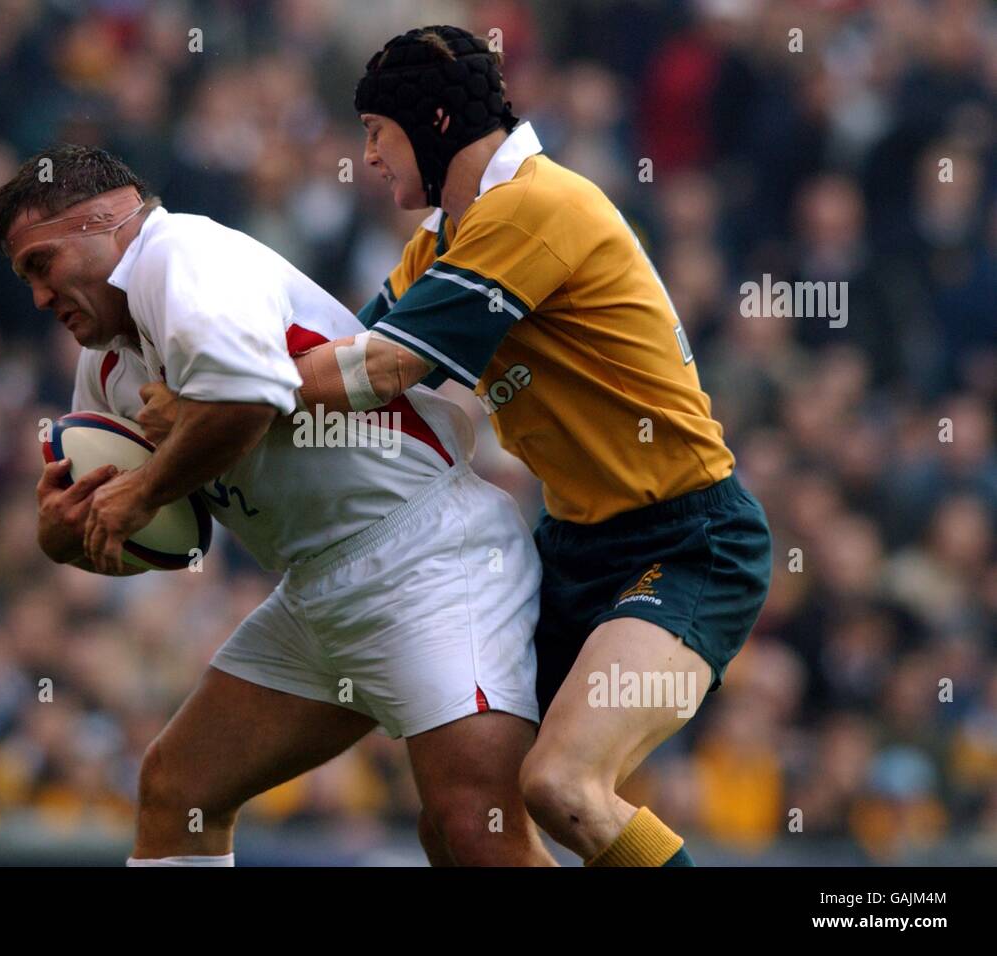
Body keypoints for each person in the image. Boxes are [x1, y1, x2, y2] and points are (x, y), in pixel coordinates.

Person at [0, 144, 554, 866]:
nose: (37, 296)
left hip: (428, 558)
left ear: (106, 220)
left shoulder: (179, 254)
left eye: (41, 264)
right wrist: (60, 536)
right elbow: (171, 539)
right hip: (317, 586)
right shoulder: (107, 366)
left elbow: (244, 404)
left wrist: (142, 489)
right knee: (179, 791)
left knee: (473, 829)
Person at [291, 26, 773, 866]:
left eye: (375, 131)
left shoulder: (536, 206)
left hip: (691, 544)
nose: (366, 157)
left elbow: (381, 368)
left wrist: (221, 386)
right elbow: (334, 353)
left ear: (433, 122)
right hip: (573, 547)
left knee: (561, 786)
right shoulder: (439, 245)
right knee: (461, 812)